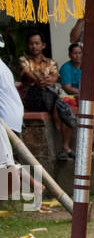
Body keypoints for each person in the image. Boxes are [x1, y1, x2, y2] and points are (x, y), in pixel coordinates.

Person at [17, 29, 77, 159]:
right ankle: (65, 147)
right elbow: (31, 76)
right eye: (31, 43)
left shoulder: (51, 62)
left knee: (61, 106)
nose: (34, 46)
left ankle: (65, 147)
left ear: (43, 45)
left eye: (37, 43)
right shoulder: (23, 60)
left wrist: (47, 79)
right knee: (58, 103)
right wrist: (44, 79)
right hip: (32, 97)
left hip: (49, 97)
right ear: (28, 45)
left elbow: (55, 77)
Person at [0, 34, 23, 173]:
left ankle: (35, 185)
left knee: (7, 160)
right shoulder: (2, 66)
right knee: (9, 159)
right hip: (10, 115)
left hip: (5, 117)